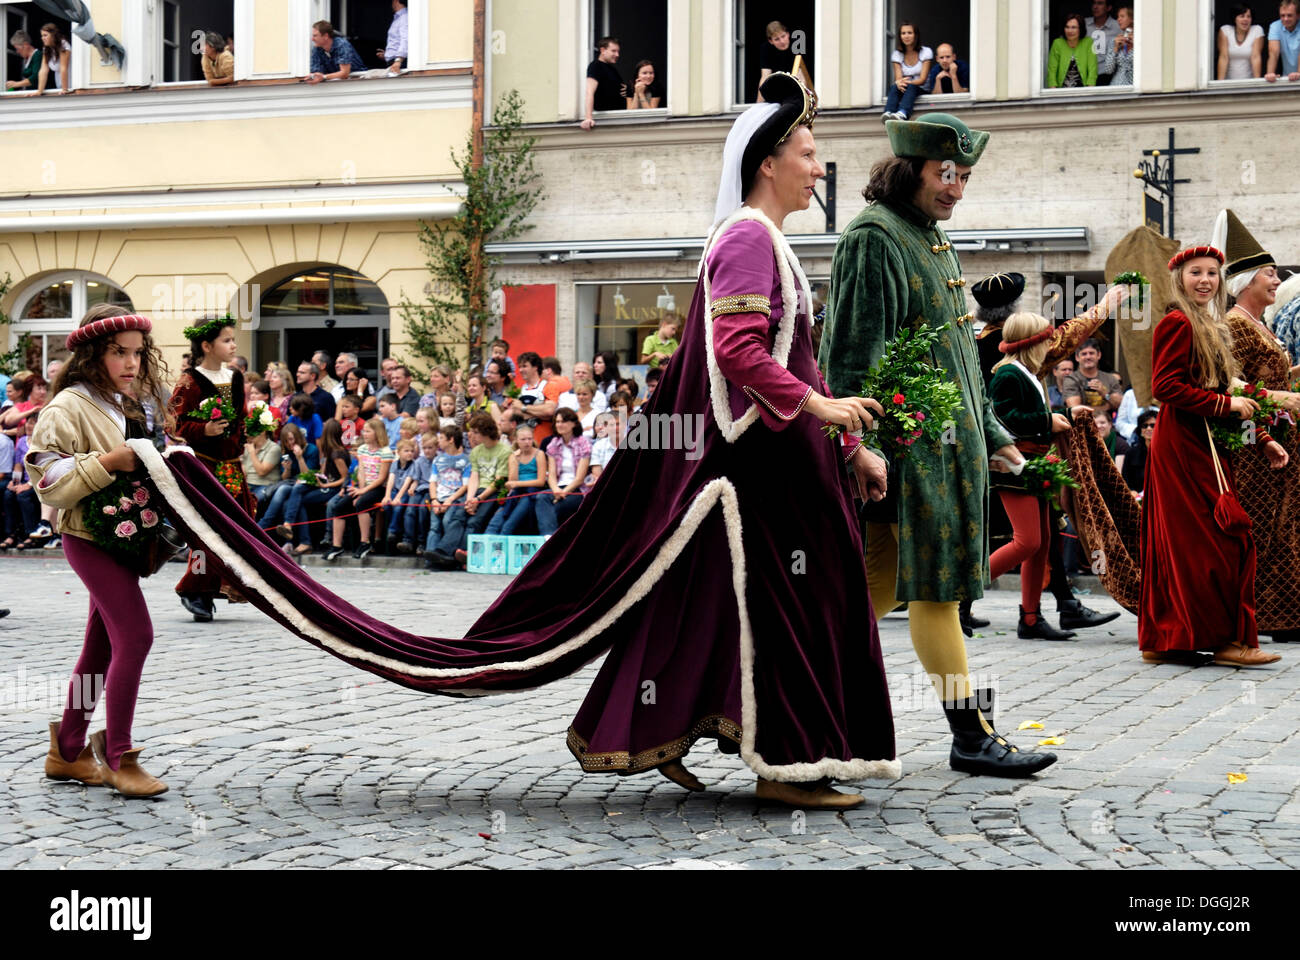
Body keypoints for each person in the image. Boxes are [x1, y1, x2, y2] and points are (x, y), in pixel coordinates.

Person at [824, 111, 1058, 777]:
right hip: (901, 460)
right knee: (927, 594)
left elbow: (959, 363)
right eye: (946, 174)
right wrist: (858, 450)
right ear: (910, 172)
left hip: (941, 455)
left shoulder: (929, 238)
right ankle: (970, 733)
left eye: (966, 176)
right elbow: (850, 358)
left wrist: (996, 439)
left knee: (874, 595)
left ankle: (775, 698)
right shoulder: (876, 235)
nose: (957, 188)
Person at [25, 305, 173, 796]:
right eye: (118, 353)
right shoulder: (67, 405)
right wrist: (109, 461)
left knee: (100, 648)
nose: (131, 363)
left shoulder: (129, 401)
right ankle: (119, 757)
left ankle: (67, 750)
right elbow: (47, 479)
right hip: (87, 537)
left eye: (136, 353)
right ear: (92, 354)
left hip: (123, 538)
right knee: (136, 635)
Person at [1140, 243, 1286, 667]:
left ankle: (1167, 639)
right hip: (1183, 446)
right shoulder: (1177, 322)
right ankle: (1224, 642)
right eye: (1195, 273)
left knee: (1193, 546)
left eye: (1211, 273)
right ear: (1179, 279)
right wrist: (1227, 407)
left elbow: (1227, 390)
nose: (1204, 280)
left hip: (1206, 441)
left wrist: (1260, 437)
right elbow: (1165, 387)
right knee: (1218, 544)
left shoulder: (1210, 324)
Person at [1214, 209, 1300, 643]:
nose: (1277, 279)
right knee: (1264, 528)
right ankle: (1268, 614)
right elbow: (1235, 385)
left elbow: (1268, 378)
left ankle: (1280, 612)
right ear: (1246, 281)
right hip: (1252, 444)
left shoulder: (1257, 325)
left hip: (1278, 439)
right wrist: (1284, 401)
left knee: (1282, 525)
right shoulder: (1233, 325)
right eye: (1269, 272)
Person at [987, 313, 1081, 641]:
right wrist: (1048, 419)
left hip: (1035, 463)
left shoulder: (1026, 372)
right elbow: (1003, 417)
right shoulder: (1008, 374)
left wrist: (1066, 415)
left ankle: (1030, 617)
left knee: (1040, 545)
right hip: (1015, 464)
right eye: (1046, 338)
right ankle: (961, 595)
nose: (1050, 344)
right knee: (1026, 541)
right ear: (1032, 342)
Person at [170, 317, 254, 623]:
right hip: (203, 465)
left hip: (232, 465)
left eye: (233, 340)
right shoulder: (189, 381)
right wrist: (203, 429)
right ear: (207, 346)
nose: (233, 346)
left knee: (235, 528)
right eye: (227, 340)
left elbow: (241, 417)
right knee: (206, 529)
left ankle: (215, 586)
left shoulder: (235, 377)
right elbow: (175, 423)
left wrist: (250, 430)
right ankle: (195, 589)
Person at [323, 417, 392, 561]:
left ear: (377, 433)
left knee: (362, 504)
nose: (364, 434)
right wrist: (360, 491)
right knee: (339, 507)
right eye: (364, 431)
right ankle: (336, 545)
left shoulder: (385, 451)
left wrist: (363, 493)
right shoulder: (362, 449)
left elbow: (381, 477)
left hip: (378, 488)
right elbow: (361, 472)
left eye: (368, 431)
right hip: (363, 487)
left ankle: (365, 541)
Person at [534, 407, 591, 534]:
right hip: (558, 489)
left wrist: (564, 492)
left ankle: (550, 540)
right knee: (541, 497)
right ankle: (548, 538)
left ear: (573, 424)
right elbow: (552, 475)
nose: (559, 425)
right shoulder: (553, 444)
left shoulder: (583, 443)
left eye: (563, 421)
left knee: (553, 509)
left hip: (577, 490)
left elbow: (579, 479)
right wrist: (556, 490)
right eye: (557, 422)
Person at [485, 424, 549, 535]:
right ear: (517, 441)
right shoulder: (514, 456)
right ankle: (484, 546)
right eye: (523, 439)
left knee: (509, 523)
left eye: (529, 439)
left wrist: (517, 483)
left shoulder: (539, 454)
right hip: (516, 492)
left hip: (530, 493)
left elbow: (540, 481)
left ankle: (499, 549)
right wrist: (515, 460)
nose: (527, 442)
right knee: (496, 521)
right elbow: (511, 483)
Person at [422, 425, 471, 567]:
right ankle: (430, 558)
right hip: (439, 498)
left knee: (448, 522)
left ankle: (446, 557)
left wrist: (450, 500)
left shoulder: (465, 461)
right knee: (434, 526)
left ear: (451, 440)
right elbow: (432, 482)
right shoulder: (438, 460)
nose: (438, 442)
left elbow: (465, 485)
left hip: (454, 498)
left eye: (441, 438)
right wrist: (434, 500)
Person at [883, 22, 932, 121]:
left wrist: (905, 82)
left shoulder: (926, 52)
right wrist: (899, 83)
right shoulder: (897, 54)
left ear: (916, 35)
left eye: (909, 33)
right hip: (905, 88)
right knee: (895, 86)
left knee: (911, 86)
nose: (906, 36)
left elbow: (922, 79)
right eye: (903, 33)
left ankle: (903, 113)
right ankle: (889, 112)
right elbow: (898, 79)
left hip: (922, 89)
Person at [1063, 339, 1123, 413]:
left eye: (1091, 353)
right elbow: (1075, 410)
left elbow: (1121, 406)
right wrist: (1105, 407)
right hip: (1082, 423)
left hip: (1107, 424)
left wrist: (1105, 393)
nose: (1088, 357)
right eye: (1084, 354)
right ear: (1077, 358)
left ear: (1099, 355)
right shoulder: (1071, 379)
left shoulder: (1110, 378)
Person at [381, 438, 420, 553]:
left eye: (412, 451)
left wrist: (398, 497)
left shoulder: (413, 465)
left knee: (398, 508)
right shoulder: (395, 464)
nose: (410, 453)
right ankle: (393, 528)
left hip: (405, 492)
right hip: (395, 490)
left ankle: (392, 531)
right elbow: (391, 480)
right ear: (398, 452)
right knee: (387, 506)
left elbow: (407, 483)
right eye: (406, 451)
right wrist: (387, 496)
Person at [581, 36, 625, 130]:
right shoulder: (596, 66)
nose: (617, 55)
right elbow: (589, 91)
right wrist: (588, 118)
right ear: (603, 50)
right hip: (606, 120)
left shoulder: (612, 69)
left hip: (617, 118)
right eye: (613, 51)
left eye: (618, 51)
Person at [757, 21, 812, 95]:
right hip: (778, 84)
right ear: (770, 41)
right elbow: (765, 76)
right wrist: (759, 104)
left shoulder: (797, 41)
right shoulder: (766, 48)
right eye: (777, 39)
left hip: (797, 81)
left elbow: (801, 72)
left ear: (788, 34)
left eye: (783, 36)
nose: (782, 41)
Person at [1047, 14, 1099, 88]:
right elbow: (1051, 71)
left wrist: (1089, 91)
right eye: (1067, 27)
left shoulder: (1088, 42)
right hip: (1061, 91)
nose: (1070, 31)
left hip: (1083, 90)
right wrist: (1053, 91)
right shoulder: (1057, 43)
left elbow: (1093, 69)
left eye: (1073, 27)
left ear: (1080, 29)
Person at [1218, 3, 1266, 80]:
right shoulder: (1225, 30)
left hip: (1248, 83)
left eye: (1248, 16)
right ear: (1234, 18)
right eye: (1242, 16)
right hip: (1228, 83)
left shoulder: (1257, 30)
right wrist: (1219, 84)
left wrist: (1257, 83)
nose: (1245, 19)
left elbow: (1255, 57)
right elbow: (1223, 57)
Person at [309, 20, 365, 84]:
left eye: (315, 36)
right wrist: (313, 77)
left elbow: (345, 73)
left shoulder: (342, 45)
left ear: (326, 36)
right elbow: (317, 72)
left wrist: (324, 77)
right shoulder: (317, 48)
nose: (312, 39)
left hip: (358, 81)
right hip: (336, 84)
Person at [242, 425, 282, 513]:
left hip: (264, 486)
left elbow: (261, 471)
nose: (250, 435)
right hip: (248, 484)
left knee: (251, 503)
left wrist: (252, 453)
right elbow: (243, 471)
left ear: (263, 432)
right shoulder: (249, 446)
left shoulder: (274, 448)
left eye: (253, 432)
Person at [1121, 408, 1158, 493]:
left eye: (1153, 425)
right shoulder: (1131, 453)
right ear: (1140, 430)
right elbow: (1125, 480)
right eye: (1144, 426)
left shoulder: (1169, 452)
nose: (1148, 428)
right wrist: (1131, 491)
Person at [1087, 1, 1122, 85]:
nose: (1095, 7)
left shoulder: (1118, 26)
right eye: (1094, 3)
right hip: (1085, 73)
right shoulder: (1083, 24)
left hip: (1107, 75)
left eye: (1100, 3)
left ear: (1108, 8)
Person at [1266, 0, 1300, 81]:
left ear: (1298, 15)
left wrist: (1298, 74)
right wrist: (1270, 74)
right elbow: (1273, 53)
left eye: (1289, 15)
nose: (1285, 19)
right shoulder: (1275, 26)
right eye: (1282, 15)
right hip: (1288, 77)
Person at [1101, 7, 1135, 87]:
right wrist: (1115, 48)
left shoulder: (1142, 41)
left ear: (1132, 19)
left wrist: (1137, 45)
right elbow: (1108, 70)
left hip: (1134, 90)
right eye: (1118, 17)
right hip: (1116, 87)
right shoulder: (1115, 41)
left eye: (1122, 16)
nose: (1118, 19)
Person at [36, 23, 71, 95]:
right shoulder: (46, 49)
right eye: (42, 36)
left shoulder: (63, 44)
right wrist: (39, 91)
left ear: (53, 35)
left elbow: (63, 68)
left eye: (45, 35)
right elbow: (43, 70)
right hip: (60, 86)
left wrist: (65, 89)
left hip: (70, 85)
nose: (42, 38)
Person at [379, 0, 407, 75]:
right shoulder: (398, 18)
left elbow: (405, 39)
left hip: (398, 63)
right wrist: (387, 54)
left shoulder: (404, 17)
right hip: (395, 62)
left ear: (396, 1)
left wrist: (398, 60)